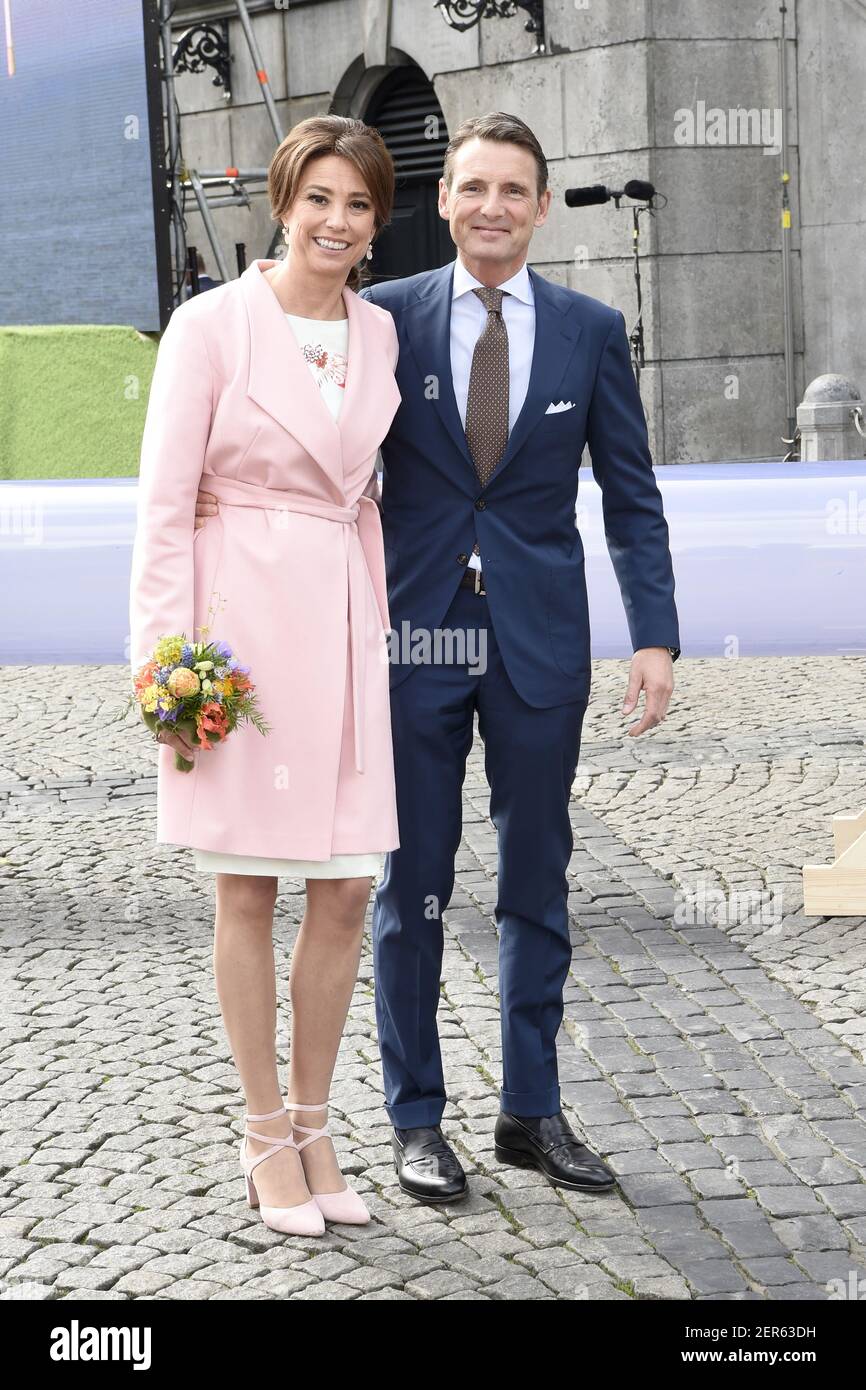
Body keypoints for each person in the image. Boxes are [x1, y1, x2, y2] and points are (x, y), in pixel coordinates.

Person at [195, 111, 681, 1206]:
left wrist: (651, 632)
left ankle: (530, 1110)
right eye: (472, 188)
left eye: (514, 189)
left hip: (537, 644)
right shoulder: (383, 322)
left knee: (536, 883)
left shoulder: (591, 331)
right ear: (444, 200)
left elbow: (631, 500)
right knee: (407, 885)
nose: (492, 207)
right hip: (409, 640)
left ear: (541, 207)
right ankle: (415, 1120)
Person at [129, 116, 401, 1236]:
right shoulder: (209, 326)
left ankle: (317, 1120)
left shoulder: (379, 331)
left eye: (358, 205)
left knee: (344, 889)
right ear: (281, 202)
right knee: (245, 889)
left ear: (379, 222)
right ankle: (260, 1133)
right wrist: (168, 674)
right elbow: (159, 511)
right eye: (318, 199)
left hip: (343, 624)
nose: (336, 222)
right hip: (235, 644)